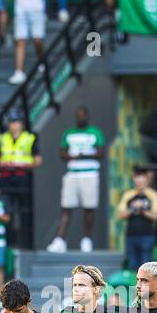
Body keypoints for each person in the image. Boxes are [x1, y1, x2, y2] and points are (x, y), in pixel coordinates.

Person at [49, 106, 103, 252]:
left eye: (83, 115)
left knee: (89, 208)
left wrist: (83, 156)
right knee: (66, 206)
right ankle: (60, 240)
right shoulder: (69, 133)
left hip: (90, 173)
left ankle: (87, 239)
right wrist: (73, 156)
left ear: (87, 116)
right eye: (78, 115)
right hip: (72, 173)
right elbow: (62, 153)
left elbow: (100, 153)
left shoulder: (94, 133)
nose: (80, 118)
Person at [6, 0, 46, 84]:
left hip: (36, 9)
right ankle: (19, 71)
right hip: (20, 9)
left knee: (37, 40)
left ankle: (41, 61)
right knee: (20, 40)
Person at [116, 169, 157, 272]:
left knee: (146, 268)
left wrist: (143, 209)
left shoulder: (153, 195)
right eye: (137, 182)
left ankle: (146, 289)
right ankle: (134, 288)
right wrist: (132, 209)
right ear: (134, 181)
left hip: (147, 235)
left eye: (142, 182)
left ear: (147, 181)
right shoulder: (128, 195)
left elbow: (156, 216)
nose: (139, 184)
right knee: (132, 266)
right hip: (131, 236)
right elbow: (120, 214)